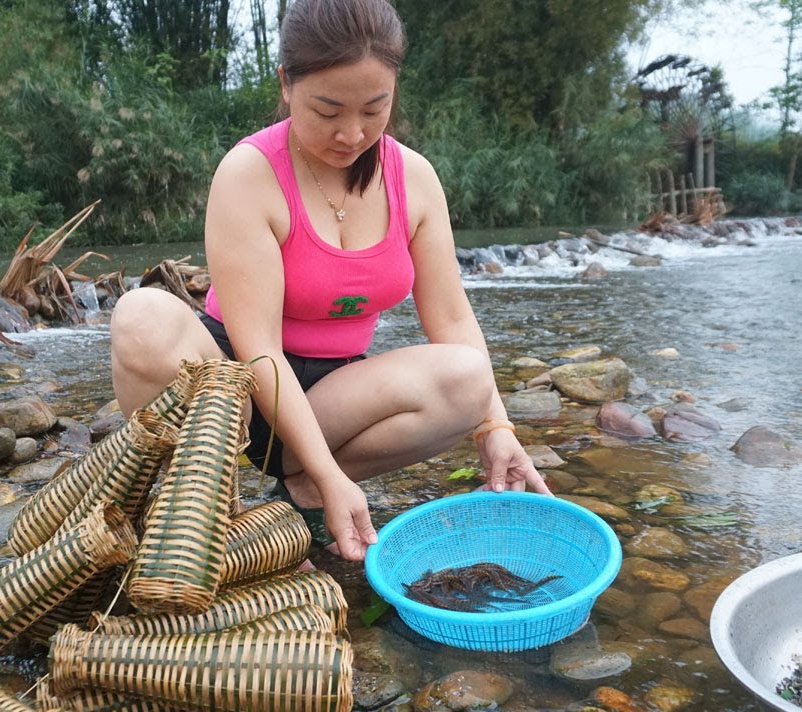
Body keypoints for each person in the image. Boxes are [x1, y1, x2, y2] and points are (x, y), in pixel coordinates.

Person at [110, 0, 551, 563]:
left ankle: (302, 488)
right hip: (233, 386)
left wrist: (496, 425)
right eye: (327, 110)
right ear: (286, 85)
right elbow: (259, 351)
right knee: (141, 318)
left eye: (375, 109)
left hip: (335, 398)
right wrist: (327, 469)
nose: (351, 134)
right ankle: (190, 497)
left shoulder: (414, 179)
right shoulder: (250, 174)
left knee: (469, 380)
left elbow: (454, 318)